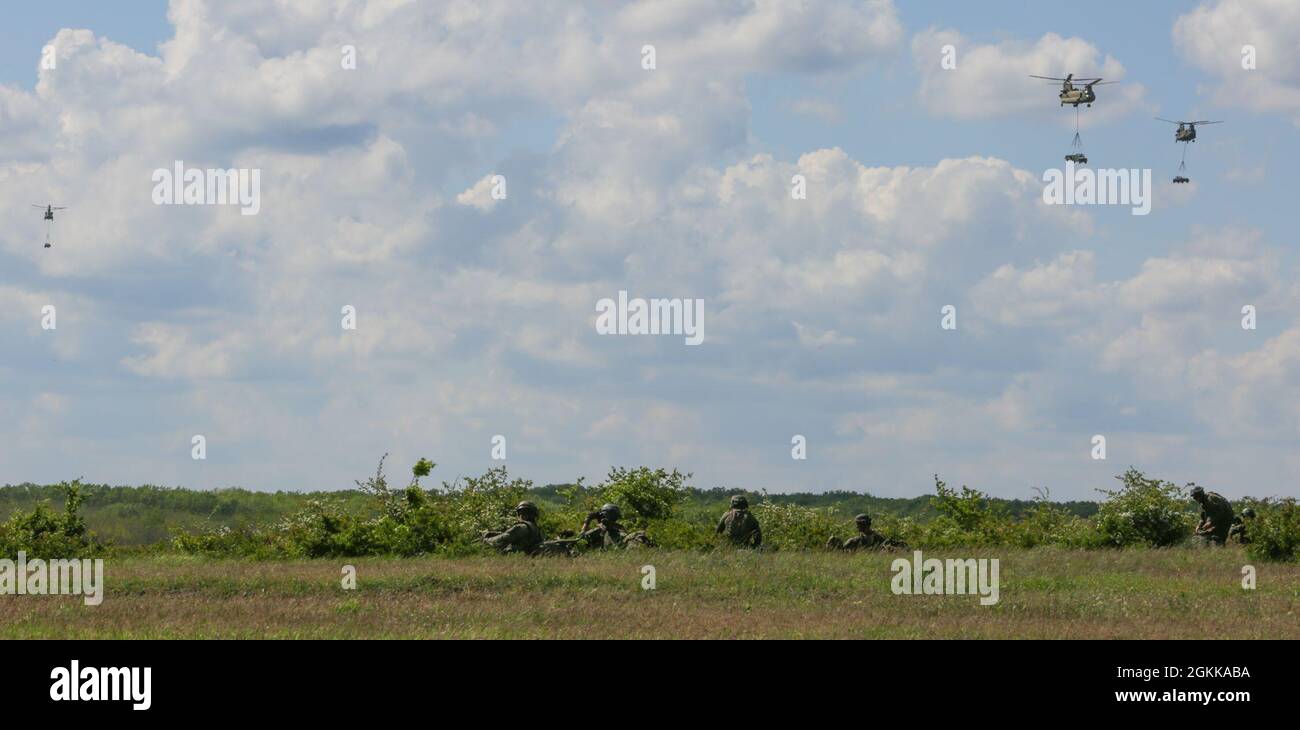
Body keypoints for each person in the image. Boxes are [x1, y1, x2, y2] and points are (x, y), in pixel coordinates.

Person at [827, 514, 906, 551]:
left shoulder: (877, 538)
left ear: (864, 524)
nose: (857, 526)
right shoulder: (855, 540)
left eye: (858, 524)